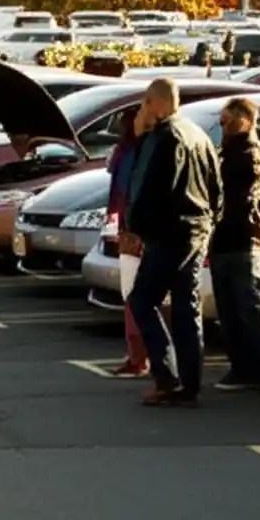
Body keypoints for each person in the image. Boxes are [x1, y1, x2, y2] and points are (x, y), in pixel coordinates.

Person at [125, 78, 223, 407]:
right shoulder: (198, 134)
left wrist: (135, 227)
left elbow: (148, 187)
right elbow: (216, 186)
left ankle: (167, 377)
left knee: (142, 300)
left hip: (168, 234)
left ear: (154, 103)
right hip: (196, 230)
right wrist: (210, 222)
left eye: (144, 105)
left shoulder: (163, 137)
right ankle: (190, 384)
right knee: (186, 306)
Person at [209, 98, 260, 393]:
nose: (224, 126)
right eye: (222, 121)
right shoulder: (225, 152)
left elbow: (235, 190)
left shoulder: (250, 154)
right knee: (228, 309)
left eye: (229, 120)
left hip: (245, 238)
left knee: (248, 306)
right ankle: (241, 368)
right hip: (222, 239)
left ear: (247, 120)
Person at [109, 105, 150, 377]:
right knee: (131, 294)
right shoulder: (125, 151)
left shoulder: (151, 150)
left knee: (149, 296)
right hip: (128, 228)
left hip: (147, 229)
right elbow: (117, 189)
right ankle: (135, 355)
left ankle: (147, 355)